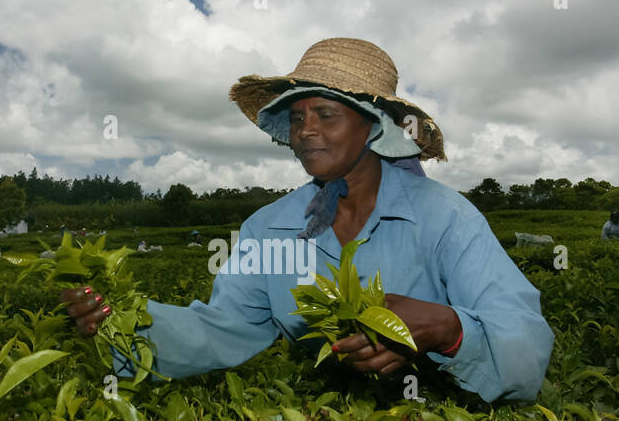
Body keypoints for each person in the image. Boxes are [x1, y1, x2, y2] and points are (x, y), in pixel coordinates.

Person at [61, 38, 554, 401]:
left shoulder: (446, 218)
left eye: (326, 115)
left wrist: (448, 329)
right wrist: (122, 321)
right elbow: (220, 328)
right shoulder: (269, 229)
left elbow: (525, 350)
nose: (305, 133)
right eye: (297, 119)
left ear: (373, 126)